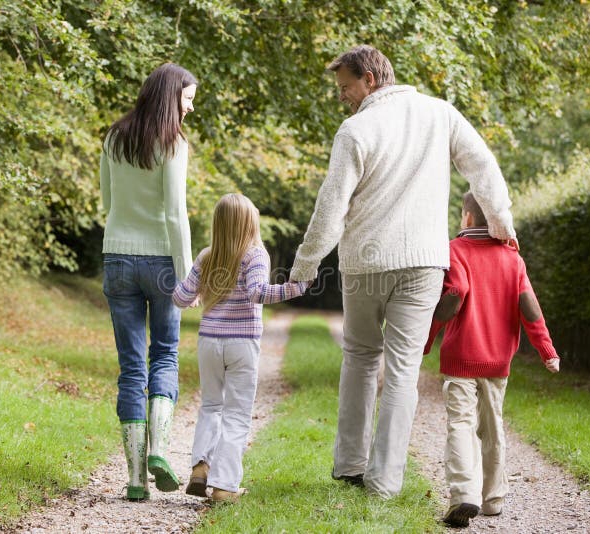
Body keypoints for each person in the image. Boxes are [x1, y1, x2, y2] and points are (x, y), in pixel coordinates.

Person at [289, 45, 518, 498]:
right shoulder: (440, 114)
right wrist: (501, 225)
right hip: (423, 263)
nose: (342, 96)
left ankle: (350, 465)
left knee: (359, 357)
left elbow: (331, 205)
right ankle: (385, 482)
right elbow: (482, 168)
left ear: (370, 79)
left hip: (365, 263)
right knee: (402, 370)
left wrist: (306, 264)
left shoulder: (355, 130)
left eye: (345, 87)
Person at [424, 191, 560, 527]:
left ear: (468, 218)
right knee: (493, 427)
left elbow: (453, 297)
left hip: (460, 359)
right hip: (498, 362)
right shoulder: (513, 258)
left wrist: (424, 341)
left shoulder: (456, 251)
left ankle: (463, 495)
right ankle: (493, 498)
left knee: (460, 424)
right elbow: (529, 307)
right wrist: (547, 351)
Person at [100, 63, 197, 501]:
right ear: (170, 95)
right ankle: (159, 448)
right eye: (188, 98)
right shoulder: (173, 143)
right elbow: (176, 213)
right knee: (165, 355)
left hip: (117, 256)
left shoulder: (113, 137)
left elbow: (107, 199)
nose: (190, 108)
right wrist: (189, 271)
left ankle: (136, 479)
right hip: (160, 260)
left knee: (130, 367)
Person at [173, 193, 309, 503]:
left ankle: (200, 467)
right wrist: (294, 288)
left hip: (209, 342)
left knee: (210, 406)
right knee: (236, 414)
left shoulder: (207, 256)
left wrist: (192, 296)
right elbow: (258, 293)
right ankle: (224, 486)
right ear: (250, 223)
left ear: (218, 224)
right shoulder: (255, 254)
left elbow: (180, 298)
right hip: (242, 344)